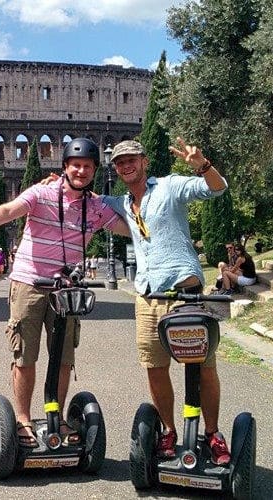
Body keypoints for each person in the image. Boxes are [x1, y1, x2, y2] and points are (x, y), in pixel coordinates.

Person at [0, 137, 129, 447]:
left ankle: (55, 416)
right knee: (25, 356)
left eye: (87, 166)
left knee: (63, 358)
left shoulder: (96, 207)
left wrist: (150, 215)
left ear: (94, 170)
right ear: (65, 167)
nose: (81, 171)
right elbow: (10, 210)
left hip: (66, 289)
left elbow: (128, 228)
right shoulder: (41, 193)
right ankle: (22, 420)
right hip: (29, 283)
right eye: (76, 166)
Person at [101, 138, 232, 465]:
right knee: (155, 367)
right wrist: (59, 182)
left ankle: (213, 433)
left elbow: (217, 189)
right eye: (119, 162)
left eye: (131, 159)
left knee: (202, 366)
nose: (126, 165)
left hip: (183, 292)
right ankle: (170, 431)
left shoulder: (171, 187)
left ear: (144, 161)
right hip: (147, 296)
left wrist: (202, 165)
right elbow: (84, 197)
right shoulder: (123, 203)